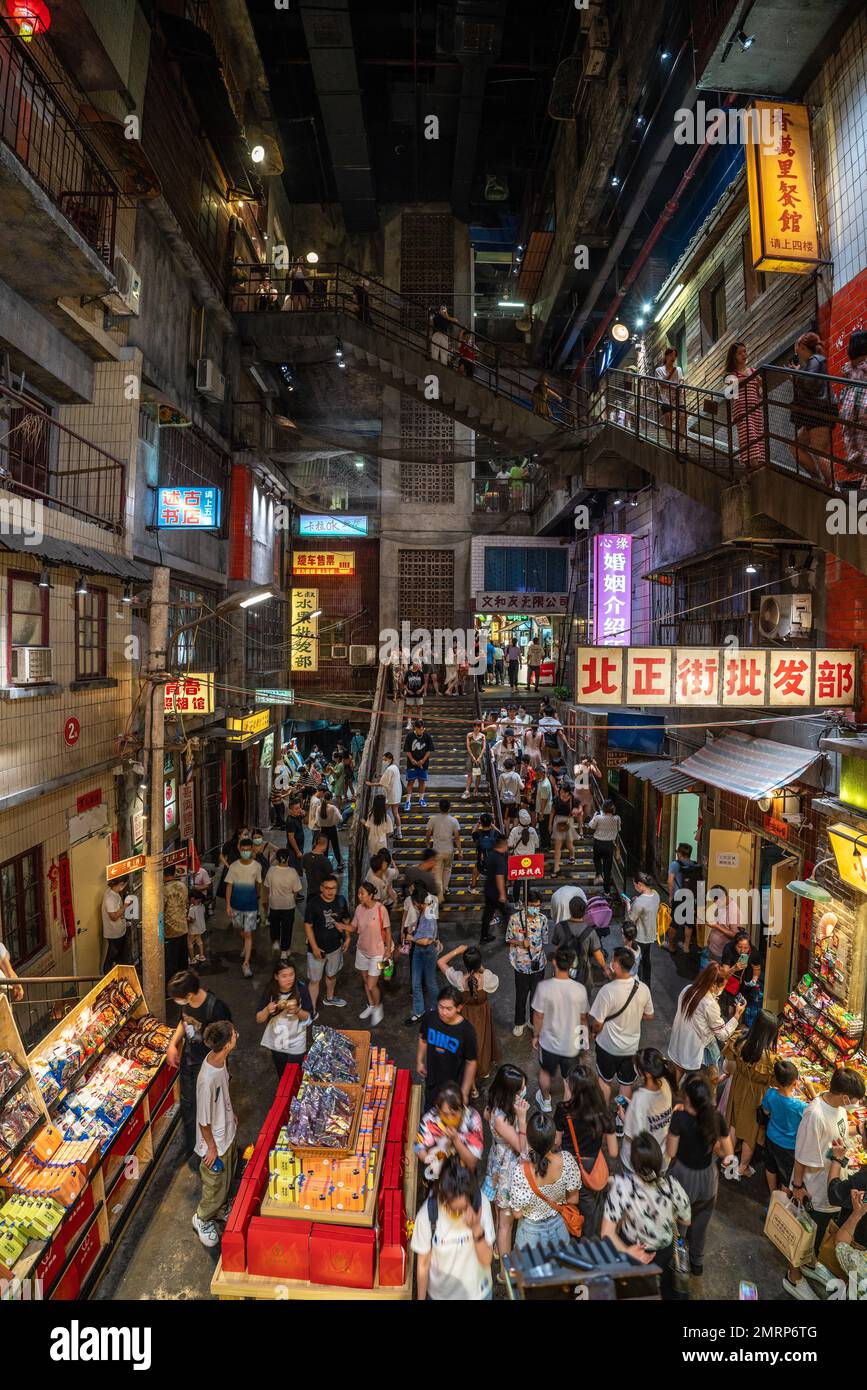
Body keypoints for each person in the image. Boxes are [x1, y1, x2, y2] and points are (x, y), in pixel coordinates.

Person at [784, 1066, 866, 1299]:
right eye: (856, 1101)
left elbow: (835, 1134)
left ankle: (809, 1262)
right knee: (804, 1233)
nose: (857, 1105)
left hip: (828, 1188)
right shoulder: (815, 1114)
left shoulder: (838, 1108)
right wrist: (798, 1187)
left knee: (816, 1235)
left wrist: (858, 1129)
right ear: (845, 1096)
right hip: (814, 1190)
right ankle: (793, 1276)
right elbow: (801, 1157)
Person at [602, 1132, 692, 1300]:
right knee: (664, 1287)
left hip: (633, 1247)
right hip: (663, 1251)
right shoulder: (672, 1186)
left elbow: (606, 1233)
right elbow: (686, 1219)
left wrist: (627, 1250)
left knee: (632, 1290)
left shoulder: (621, 1186)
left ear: (633, 1163)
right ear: (659, 1160)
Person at [666, 1072, 735, 1278]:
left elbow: (670, 1152)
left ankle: (678, 1260)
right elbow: (728, 1154)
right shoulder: (716, 1118)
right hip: (708, 1178)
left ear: (687, 1097)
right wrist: (712, 1145)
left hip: (683, 1177)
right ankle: (697, 1262)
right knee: (701, 1222)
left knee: (678, 1224)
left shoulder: (679, 1118)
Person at [166, 969, 232, 1164]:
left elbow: (227, 1041)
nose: (178, 1002)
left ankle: (208, 1151)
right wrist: (173, 1044)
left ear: (188, 995)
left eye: (178, 998)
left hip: (207, 1069)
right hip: (188, 1061)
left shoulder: (216, 1008)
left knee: (203, 1112)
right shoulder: (188, 1004)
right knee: (188, 1106)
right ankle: (193, 1147)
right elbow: (183, 1021)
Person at [411, 1155, 496, 1301]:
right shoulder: (428, 1215)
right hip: (440, 1296)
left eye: (463, 1208)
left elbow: (486, 1260)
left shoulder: (481, 1206)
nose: (459, 1214)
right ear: (442, 1198)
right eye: (453, 1209)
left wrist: (476, 1229)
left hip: (478, 1295)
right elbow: (423, 1263)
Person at [553, 1062, 618, 1238]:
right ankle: (588, 1242)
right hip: (590, 1167)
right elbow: (613, 1152)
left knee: (568, 1201)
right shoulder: (604, 1113)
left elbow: (557, 1141)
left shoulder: (563, 1110)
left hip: (567, 1164)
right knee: (590, 1207)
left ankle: (571, 1230)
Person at [191, 1020, 238, 1247]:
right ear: (228, 1044)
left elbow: (224, 1095)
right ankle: (202, 1218)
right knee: (214, 1185)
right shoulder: (207, 1080)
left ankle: (220, 1208)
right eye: (234, 1034)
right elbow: (202, 1120)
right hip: (215, 1142)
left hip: (226, 1131)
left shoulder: (221, 1060)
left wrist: (231, 1113)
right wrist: (211, 1147)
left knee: (227, 1177)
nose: (236, 1035)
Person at [589, 947, 654, 1102]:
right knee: (626, 1084)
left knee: (605, 1081)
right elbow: (650, 1015)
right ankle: (622, 1118)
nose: (611, 963)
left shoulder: (607, 991)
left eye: (613, 960)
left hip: (607, 1046)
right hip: (630, 1048)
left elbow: (597, 1023)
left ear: (617, 966)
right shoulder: (643, 988)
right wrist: (635, 1015)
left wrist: (593, 1032)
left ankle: (603, 1113)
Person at [510, 1111, 581, 1249]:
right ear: (554, 1138)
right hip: (559, 1229)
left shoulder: (521, 1172)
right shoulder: (566, 1160)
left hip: (530, 1236)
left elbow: (517, 1213)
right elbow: (573, 1200)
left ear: (529, 1142)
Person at [722, 1008, 780, 1177]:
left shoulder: (740, 1041)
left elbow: (727, 1054)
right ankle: (742, 1168)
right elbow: (776, 1081)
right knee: (750, 1132)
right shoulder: (770, 1059)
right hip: (756, 1095)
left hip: (738, 1086)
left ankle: (729, 1161)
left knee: (733, 1122)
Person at [531, 947, 589, 1114]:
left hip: (549, 1043)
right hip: (571, 1045)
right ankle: (566, 1109)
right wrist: (583, 1043)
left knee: (545, 1071)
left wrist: (536, 1035)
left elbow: (538, 1016)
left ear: (554, 963)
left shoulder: (544, 987)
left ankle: (546, 1101)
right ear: (571, 964)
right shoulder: (579, 989)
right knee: (568, 1079)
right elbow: (583, 1019)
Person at [667, 963, 745, 1081]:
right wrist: (737, 1015)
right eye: (722, 986)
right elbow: (723, 1035)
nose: (721, 989)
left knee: (676, 1077)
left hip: (678, 1042)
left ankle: (673, 1094)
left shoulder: (688, 989)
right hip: (692, 1049)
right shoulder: (710, 1004)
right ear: (714, 985)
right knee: (694, 1085)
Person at [482, 1065, 529, 1261]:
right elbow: (521, 1147)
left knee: (498, 1211)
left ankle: (496, 1248)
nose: (524, 1092)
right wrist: (522, 1119)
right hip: (506, 1169)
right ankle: (505, 1272)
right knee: (505, 1225)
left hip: (496, 1159)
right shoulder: (502, 1119)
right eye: (520, 1089)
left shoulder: (491, 1106)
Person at [438, 944, 499, 1085]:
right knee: (482, 1041)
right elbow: (495, 981)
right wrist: (480, 967)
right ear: (479, 962)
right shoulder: (487, 979)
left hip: (465, 1017)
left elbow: (440, 962)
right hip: (482, 1014)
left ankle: (469, 1078)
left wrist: (457, 950)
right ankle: (483, 1070)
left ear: (464, 963)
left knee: (467, 1045)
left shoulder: (459, 979)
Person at [417, 985, 478, 1111]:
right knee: (430, 1115)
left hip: (454, 1086)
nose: (443, 1012)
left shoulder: (467, 1031)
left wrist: (465, 1092)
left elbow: (471, 1062)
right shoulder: (430, 1018)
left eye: (449, 1009)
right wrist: (419, 1061)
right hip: (432, 1081)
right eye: (441, 1007)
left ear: (459, 1008)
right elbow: (423, 1039)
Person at [789, 331, 837, 487]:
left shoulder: (816, 359)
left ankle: (833, 487)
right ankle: (819, 480)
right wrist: (797, 375)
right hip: (814, 413)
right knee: (795, 447)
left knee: (819, 451)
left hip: (819, 412)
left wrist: (796, 375)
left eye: (797, 349)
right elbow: (810, 383)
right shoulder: (812, 363)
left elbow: (810, 383)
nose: (797, 353)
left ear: (802, 346)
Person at [759, 1058, 811, 1197]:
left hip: (771, 1137)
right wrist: (809, 1090)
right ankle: (781, 1201)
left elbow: (766, 1112)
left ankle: (771, 1194)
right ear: (795, 1082)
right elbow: (813, 1112)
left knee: (770, 1167)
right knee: (787, 1176)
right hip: (789, 1146)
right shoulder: (801, 1106)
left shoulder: (770, 1094)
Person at [255, 961, 313, 1080]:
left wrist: (297, 1010)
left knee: (295, 1075)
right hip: (277, 1042)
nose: (289, 979)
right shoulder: (271, 990)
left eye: (291, 974)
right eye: (284, 976)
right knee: (283, 1076)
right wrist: (267, 1010)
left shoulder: (301, 988)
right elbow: (258, 1018)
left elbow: (308, 1017)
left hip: (296, 1041)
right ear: (276, 976)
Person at [303, 873, 352, 1013]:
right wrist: (314, 947)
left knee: (331, 975)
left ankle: (329, 998)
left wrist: (347, 938)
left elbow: (346, 920)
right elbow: (308, 926)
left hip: (335, 947)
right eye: (327, 888)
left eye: (334, 888)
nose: (330, 891)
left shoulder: (341, 901)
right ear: (321, 888)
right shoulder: (313, 904)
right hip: (317, 950)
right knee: (314, 980)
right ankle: (311, 1009)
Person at [415, 1083, 485, 1178]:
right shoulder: (430, 1119)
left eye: (454, 1114)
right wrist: (426, 1158)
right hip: (439, 1175)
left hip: (464, 1177)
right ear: (438, 1109)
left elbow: (472, 1162)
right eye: (445, 1114)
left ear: (462, 1108)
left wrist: (455, 1139)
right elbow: (417, 1146)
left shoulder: (472, 1119)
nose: (450, 1118)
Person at [623, 1048, 675, 1174]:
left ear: (646, 1073)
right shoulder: (666, 1084)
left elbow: (634, 1136)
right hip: (662, 1158)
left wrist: (624, 1116)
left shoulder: (639, 1099)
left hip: (638, 1163)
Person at [349, 881, 392, 1026]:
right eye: (359, 893)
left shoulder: (381, 909)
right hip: (362, 951)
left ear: (371, 894)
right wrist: (342, 926)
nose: (359, 896)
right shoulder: (359, 909)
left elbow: (387, 930)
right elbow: (354, 927)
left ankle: (378, 1006)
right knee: (366, 981)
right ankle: (371, 1005)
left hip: (377, 953)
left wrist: (387, 951)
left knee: (372, 985)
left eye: (362, 893)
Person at [547, 897, 609, 992]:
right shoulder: (590, 931)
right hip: (583, 977)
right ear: (585, 911)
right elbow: (598, 955)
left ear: (570, 910)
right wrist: (605, 968)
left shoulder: (560, 927)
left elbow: (557, 949)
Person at [724, 341, 767, 470]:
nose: (744, 355)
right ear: (734, 356)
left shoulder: (753, 371)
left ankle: (754, 469)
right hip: (742, 411)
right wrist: (739, 382)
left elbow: (759, 394)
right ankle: (755, 467)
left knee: (758, 438)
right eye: (739, 353)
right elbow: (729, 394)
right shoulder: (731, 375)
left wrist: (760, 385)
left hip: (755, 409)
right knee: (749, 438)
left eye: (744, 351)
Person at [402, 882, 441, 1024]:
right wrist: (413, 929)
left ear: (417, 902)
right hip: (418, 951)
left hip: (427, 952)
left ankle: (437, 1010)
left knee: (430, 982)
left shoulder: (429, 915)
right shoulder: (423, 912)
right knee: (416, 982)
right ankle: (419, 1011)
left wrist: (411, 937)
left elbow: (427, 941)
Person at [224, 838, 262, 979]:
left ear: (252, 849)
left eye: (248, 850)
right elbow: (229, 885)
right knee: (239, 929)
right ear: (240, 850)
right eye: (243, 850)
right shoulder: (233, 866)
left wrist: (257, 896)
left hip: (251, 906)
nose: (246, 852)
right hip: (236, 905)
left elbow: (258, 883)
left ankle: (246, 963)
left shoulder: (257, 866)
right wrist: (228, 904)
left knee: (248, 934)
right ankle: (246, 946)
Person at [263, 848, 302, 961]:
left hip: (274, 904)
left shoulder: (271, 870)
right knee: (287, 927)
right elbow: (296, 890)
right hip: (288, 905)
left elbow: (267, 886)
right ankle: (284, 951)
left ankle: (275, 942)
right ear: (288, 858)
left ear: (277, 858)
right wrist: (292, 899)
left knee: (274, 924)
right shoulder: (292, 872)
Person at [839, 330, 867, 484]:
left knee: (859, 445)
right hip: (863, 405)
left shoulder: (850, 368)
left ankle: (855, 459)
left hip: (850, 408)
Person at [625, 870, 660, 986]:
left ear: (640, 884)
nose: (634, 887)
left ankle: (637, 986)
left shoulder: (639, 902)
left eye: (635, 885)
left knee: (637, 962)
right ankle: (647, 986)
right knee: (646, 961)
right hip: (650, 935)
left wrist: (629, 906)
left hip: (639, 937)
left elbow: (630, 919)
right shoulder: (656, 895)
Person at [720, 931, 762, 1021]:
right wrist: (734, 968)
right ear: (735, 944)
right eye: (739, 947)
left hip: (745, 985)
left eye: (746, 948)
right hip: (730, 983)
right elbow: (724, 974)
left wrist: (754, 980)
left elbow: (757, 968)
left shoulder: (754, 952)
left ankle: (736, 1027)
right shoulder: (729, 948)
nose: (743, 950)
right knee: (727, 1011)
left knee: (740, 1011)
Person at [425, 797, 461, 903]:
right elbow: (457, 837)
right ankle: (445, 889)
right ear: (449, 808)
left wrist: (427, 843)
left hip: (437, 850)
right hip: (449, 850)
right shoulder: (454, 820)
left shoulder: (433, 819)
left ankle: (440, 896)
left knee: (437, 873)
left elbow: (428, 833)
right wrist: (460, 851)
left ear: (439, 808)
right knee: (447, 870)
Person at [666, 842, 700, 956]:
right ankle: (686, 946)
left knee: (674, 923)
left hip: (678, 896)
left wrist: (670, 896)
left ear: (679, 853)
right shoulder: (694, 864)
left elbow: (670, 881)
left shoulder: (675, 864)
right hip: (691, 897)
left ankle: (671, 946)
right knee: (689, 923)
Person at [368, 749, 403, 839]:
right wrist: (381, 776)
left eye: (385, 760)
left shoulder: (389, 769)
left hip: (391, 795)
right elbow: (389, 778)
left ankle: (383, 829)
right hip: (397, 793)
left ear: (390, 759)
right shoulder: (395, 767)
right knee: (395, 813)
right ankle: (399, 833)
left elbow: (382, 783)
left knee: (381, 811)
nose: (384, 761)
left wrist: (370, 784)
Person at [480, 831, 509, 943]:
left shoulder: (491, 855)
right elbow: (499, 877)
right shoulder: (500, 859)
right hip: (496, 892)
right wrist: (502, 894)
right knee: (506, 914)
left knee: (487, 914)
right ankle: (509, 937)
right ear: (504, 844)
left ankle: (484, 936)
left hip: (488, 889)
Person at [163, 863, 189, 981]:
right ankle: (185, 985)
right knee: (182, 962)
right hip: (183, 929)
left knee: (170, 965)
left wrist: (159, 935)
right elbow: (186, 905)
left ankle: (172, 990)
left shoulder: (162, 890)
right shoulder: (182, 886)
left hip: (169, 933)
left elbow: (159, 914)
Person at [703, 884, 741, 965]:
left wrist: (716, 926)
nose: (714, 903)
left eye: (715, 900)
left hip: (721, 954)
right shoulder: (721, 905)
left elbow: (735, 935)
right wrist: (710, 938)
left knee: (720, 977)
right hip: (712, 948)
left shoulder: (733, 910)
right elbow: (718, 922)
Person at [654, 345, 685, 446]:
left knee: (683, 416)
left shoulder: (679, 369)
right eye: (671, 355)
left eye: (675, 356)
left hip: (678, 397)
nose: (673, 358)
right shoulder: (659, 370)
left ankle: (679, 441)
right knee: (668, 418)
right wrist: (671, 372)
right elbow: (662, 384)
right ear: (666, 356)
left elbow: (680, 382)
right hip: (666, 398)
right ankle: (670, 443)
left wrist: (680, 385)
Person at [588, 799, 620, 894]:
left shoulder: (598, 818)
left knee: (596, 859)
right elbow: (619, 829)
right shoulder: (617, 818)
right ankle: (607, 891)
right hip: (609, 844)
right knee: (608, 867)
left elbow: (591, 826)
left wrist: (594, 816)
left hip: (598, 843)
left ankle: (599, 874)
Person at [403, 718, 433, 811]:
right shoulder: (410, 736)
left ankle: (421, 799)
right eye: (419, 729)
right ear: (415, 728)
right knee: (410, 782)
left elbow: (429, 750)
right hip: (412, 764)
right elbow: (407, 750)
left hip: (423, 763)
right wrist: (412, 759)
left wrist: (423, 760)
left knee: (422, 781)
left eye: (422, 729)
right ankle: (408, 801)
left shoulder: (427, 736)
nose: (421, 731)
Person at [549, 781, 578, 875]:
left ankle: (572, 855)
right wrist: (550, 824)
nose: (561, 792)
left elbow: (579, 808)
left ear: (568, 792)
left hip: (568, 821)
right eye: (561, 790)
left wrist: (576, 810)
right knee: (557, 846)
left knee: (569, 844)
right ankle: (556, 868)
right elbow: (552, 811)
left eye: (563, 791)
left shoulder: (573, 799)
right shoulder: (557, 798)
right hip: (558, 821)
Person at [101, 874, 129, 968]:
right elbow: (113, 917)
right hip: (114, 934)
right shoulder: (110, 898)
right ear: (121, 884)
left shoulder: (113, 892)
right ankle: (106, 975)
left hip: (119, 931)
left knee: (117, 957)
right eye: (124, 885)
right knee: (112, 957)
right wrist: (125, 906)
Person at [470, 810, 497, 892]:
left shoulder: (478, 833)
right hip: (493, 859)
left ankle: (473, 888)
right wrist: (493, 825)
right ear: (490, 822)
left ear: (481, 823)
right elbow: (501, 835)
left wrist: (478, 824)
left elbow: (473, 833)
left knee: (475, 871)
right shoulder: (494, 833)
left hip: (481, 860)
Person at [317, 791, 344, 870]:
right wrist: (334, 820)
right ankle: (339, 864)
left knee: (325, 848)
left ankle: (325, 864)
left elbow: (317, 821)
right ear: (331, 799)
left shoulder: (319, 808)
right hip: (332, 829)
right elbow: (341, 819)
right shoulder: (332, 808)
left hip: (323, 830)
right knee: (335, 847)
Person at [363, 793, 394, 860]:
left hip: (371, 841)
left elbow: (368, 828)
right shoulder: (387, 818)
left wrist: (364, 822)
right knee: (381, 859)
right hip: (382, 843)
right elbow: (389, 832)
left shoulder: (370, 815)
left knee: (374, 858)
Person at [302, 831, 332, 899]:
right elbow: (330, 878)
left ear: (315, 842)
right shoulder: (325, 861)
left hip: (310, 892)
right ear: (326, 844)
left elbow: (304, 870)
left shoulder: (305, 857)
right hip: (322, 894)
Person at [464, 720, 486, 799]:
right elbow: (468, 747)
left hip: (479, 757)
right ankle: (467, 790)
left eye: (478, 726)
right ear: (473, 727)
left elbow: (484, 747)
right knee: (470, 774)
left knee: (478, 775)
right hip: (471, 757)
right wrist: (472, 757)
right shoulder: (469, 735)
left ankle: (476, 789)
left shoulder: (482, 736)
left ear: (480, 727)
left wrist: (479, 757)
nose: (477, 728)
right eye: (475, 726)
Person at [187, 888, 208, 966]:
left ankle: (192, 959)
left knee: (190, 943)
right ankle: (201, 956)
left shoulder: (192, 908)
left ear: (192, 898)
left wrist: (185, 918)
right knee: (199, 941)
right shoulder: (202, 906)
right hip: (200, 928)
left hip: (193, 929)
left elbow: (191, 920)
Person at [284, 798, 306, 870]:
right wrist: (297, 851)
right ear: (290, 810)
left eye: (299, 808)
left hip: (299, 847)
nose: (299, 810)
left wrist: (303, 812)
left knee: (298, 868)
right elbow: (291, 838)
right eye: (296, 809)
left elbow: (304, 815)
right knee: (294, 869)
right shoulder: (290, 821)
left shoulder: (296, 816)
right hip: (293, 850)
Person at [403, 659, 425, 723]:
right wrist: (407, 690)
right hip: (410, 693)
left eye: (417, 664)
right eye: (415, 664)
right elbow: (404, 684)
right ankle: (409, 722)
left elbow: (423, 683)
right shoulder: (408, 673)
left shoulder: (420, 673)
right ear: (413, 664)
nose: (416, 665)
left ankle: (420, 721)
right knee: (410, 708)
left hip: (419, 693)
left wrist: (421, 690)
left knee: (419, 707)